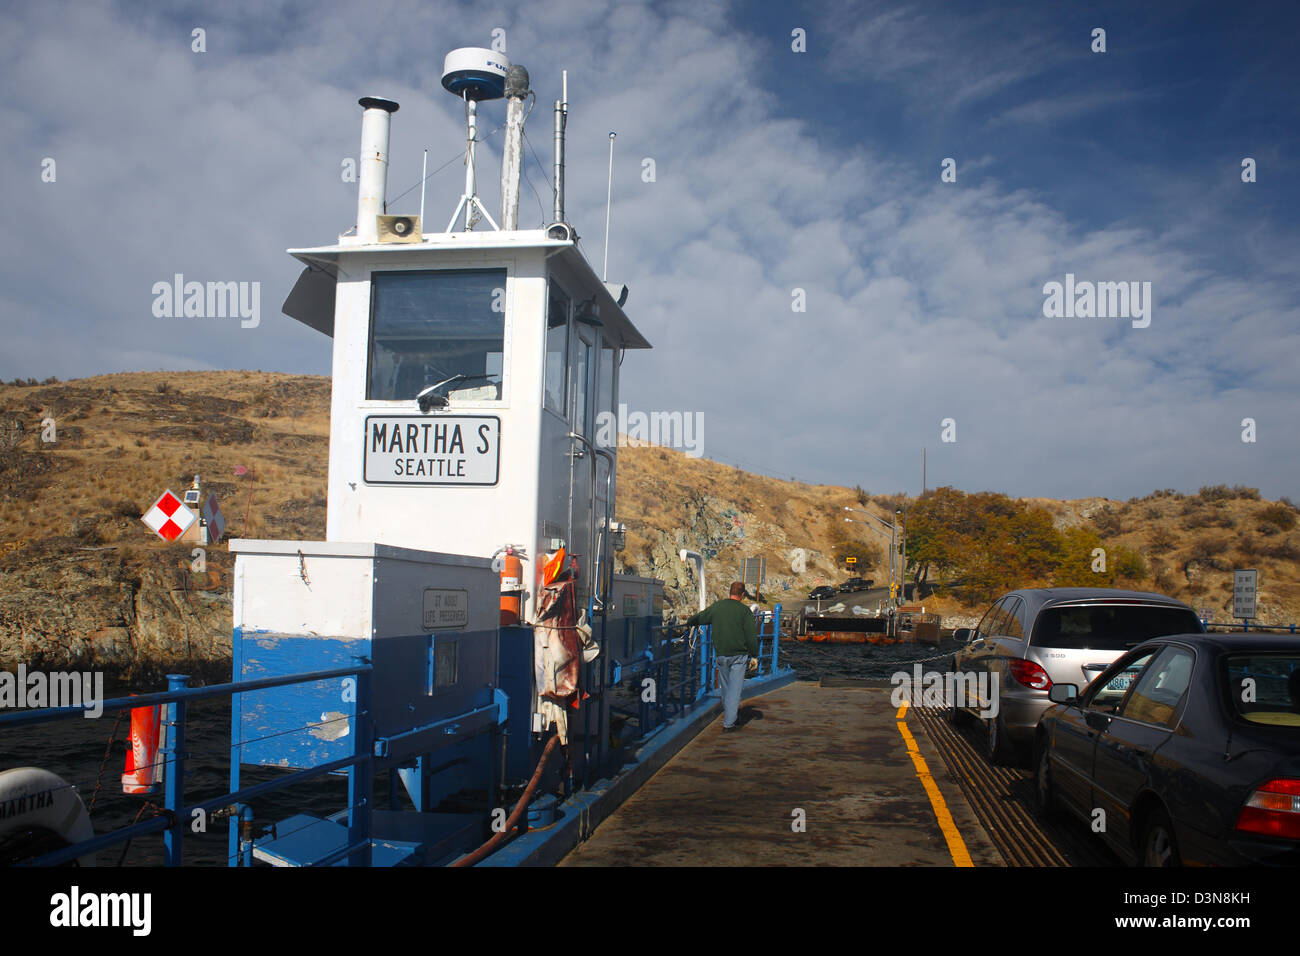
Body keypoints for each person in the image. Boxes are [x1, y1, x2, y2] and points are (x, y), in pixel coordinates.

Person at [686, 581, 759, 731]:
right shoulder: (745, 612)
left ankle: (732, 716)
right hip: (739, 656)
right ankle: (729, 724)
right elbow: (751, 637)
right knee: (735, 690)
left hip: (721, 655)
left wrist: (689, 622)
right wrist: (754, 655)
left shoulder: (718, 607)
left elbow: (700, 617)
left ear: (729, 592)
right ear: (742, 595)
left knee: (726, 688)